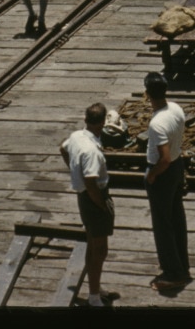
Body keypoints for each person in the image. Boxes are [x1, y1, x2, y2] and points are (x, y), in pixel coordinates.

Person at [60, 103, 115, 306]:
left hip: (83, 197)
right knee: (99, 249)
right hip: (94, 197)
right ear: (102, 124)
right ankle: (93, 295)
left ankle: (95, 285)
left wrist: (73, 169)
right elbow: (91, 181)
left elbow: (62, 148)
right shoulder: (92, 151)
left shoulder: (76, 136)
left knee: (93, 244)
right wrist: (102, 205)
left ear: (85, 120)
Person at [142, 71, 191, 291]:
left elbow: (164, 158)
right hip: (178, 166)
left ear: (147, 94)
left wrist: (152, 175)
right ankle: (182, 265)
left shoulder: (157, 124)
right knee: (176, 219)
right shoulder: (176, 108)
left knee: (162, 225)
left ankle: (173, 273)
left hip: (163, 172)